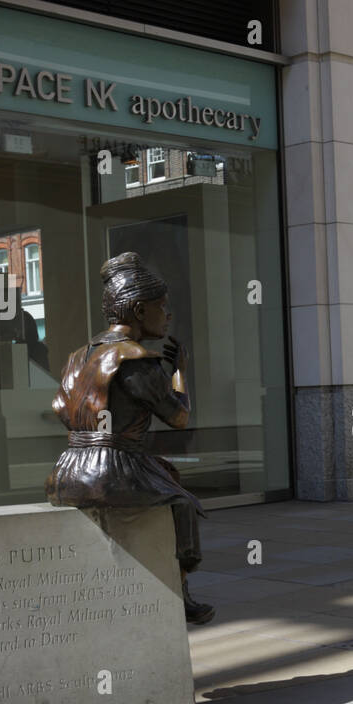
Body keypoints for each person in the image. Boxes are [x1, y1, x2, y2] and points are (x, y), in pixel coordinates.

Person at [45, 252, 214, 625]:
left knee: (167, 476)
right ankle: (179, 591)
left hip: (66, 471)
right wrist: (180, 372)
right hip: (111, 471)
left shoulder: (78, 356)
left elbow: (61, 409)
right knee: (183, 503)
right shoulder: (135, 360)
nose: (167, 314)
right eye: (161, 306)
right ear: (139, 310)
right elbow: (179, 418)